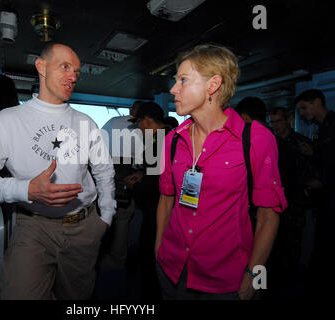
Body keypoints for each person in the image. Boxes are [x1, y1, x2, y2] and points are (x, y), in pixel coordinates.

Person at [0, 42, 116, 300]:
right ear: (41, 67)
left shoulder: (86, 122)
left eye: (77, 72)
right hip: (33, 227)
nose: (73, 76)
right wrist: (25, 189)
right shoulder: (7, 121)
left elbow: (104, 171)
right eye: (65, 67)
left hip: (85, 227)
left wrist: (105, 215)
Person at [156, 44, 287, 300]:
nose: (173, 89)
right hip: (171, 270)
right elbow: (165, 199)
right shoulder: (172, 140)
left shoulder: (256, 139)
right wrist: (159, 248)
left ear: (212, 85)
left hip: (226, 280)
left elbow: (268, 217)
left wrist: (253, 274)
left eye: (183, 80)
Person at [267, 107, 319, 297]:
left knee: (294, 242)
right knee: (275, 242)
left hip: (296, 199)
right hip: (275, 200)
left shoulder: (301, 142)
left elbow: (313, 170)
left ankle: (292, 283)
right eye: (272, 122)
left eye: (278, 121)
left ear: (288, 120)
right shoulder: (270, 142)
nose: (275, 126)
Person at [129, 101, 172, 299]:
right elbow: (158, 174)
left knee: (150, 258)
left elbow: (159, 184)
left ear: (146, 121)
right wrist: (143, 176)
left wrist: (134, 186)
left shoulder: (159, 142)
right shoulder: (170, 136)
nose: (138, 128)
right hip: (162, 210)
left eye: (138, 123)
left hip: (157, 211)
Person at [295, 89, 335, 293]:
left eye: (304, 107)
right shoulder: (321, 129)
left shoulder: (333, 125)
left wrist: (323, 181)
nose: (301, 113)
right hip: (325, 202)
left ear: (317, 102)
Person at [98, 100, 143, 273]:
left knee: (106, 215)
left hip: (108, 170)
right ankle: (118, 261)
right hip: (130, 172)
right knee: (124, 219)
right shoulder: (142, 128)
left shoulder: (112, 122)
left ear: (131, 110)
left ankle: (103, 258)